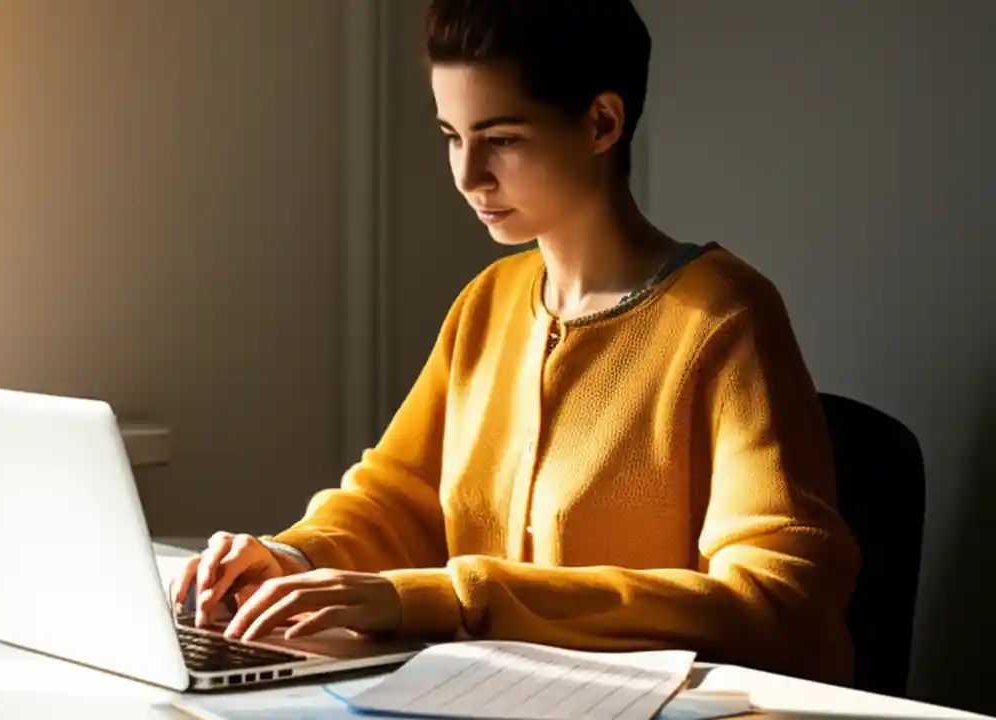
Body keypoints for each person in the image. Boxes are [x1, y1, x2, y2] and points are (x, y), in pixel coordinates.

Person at [172, 0, 859, 684]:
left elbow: (779, 600)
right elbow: (398, 496)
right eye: (452, 136)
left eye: (501, 139)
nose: (468, 176)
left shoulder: (724, 318)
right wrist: (292, 558)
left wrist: (448, 598)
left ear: (601, 123)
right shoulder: (489, 302)